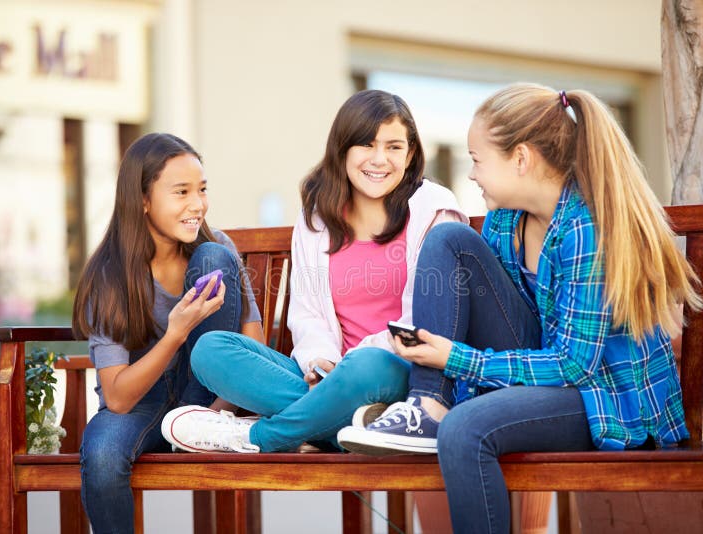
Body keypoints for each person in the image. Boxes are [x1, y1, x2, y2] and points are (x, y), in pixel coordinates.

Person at [337, 83, 701, 533]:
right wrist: (452, 371)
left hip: (602, 396)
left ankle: (441, 416)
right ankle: (427, 404)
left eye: (477, 159)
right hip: (544, 370)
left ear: (521, 159)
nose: (470, 174)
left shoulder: (587, 229)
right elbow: (493, 328)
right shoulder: (506, 218)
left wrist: (456, 360)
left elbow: (574, 365)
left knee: (466, 430)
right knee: (449, 239)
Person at [159, 89, 468, 454]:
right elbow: (306, 312)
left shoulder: (434, 210)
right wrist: (320, 361)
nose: (380, 159)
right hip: (323, 378)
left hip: (397, 373)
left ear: (411, 153)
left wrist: (347, 368)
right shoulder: (317, 218)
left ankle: (258, 437)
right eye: (366, 145)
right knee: (211, 350)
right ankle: (343, 424)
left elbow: (423, 323)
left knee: (367, 365)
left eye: (394, 147)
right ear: (343, 149)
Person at [71, 132, 263, 533]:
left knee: (214, 255)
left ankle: (206, 420)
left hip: (209, 397)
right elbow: (119, 398)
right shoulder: (111, 275)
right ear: (142, 200)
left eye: (202, 190)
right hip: (142, 398)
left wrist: (209, 417)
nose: (198, 205)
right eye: (181, 192)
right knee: (101, 456)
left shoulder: (217, 248)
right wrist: (176, 331)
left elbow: (253, 348)